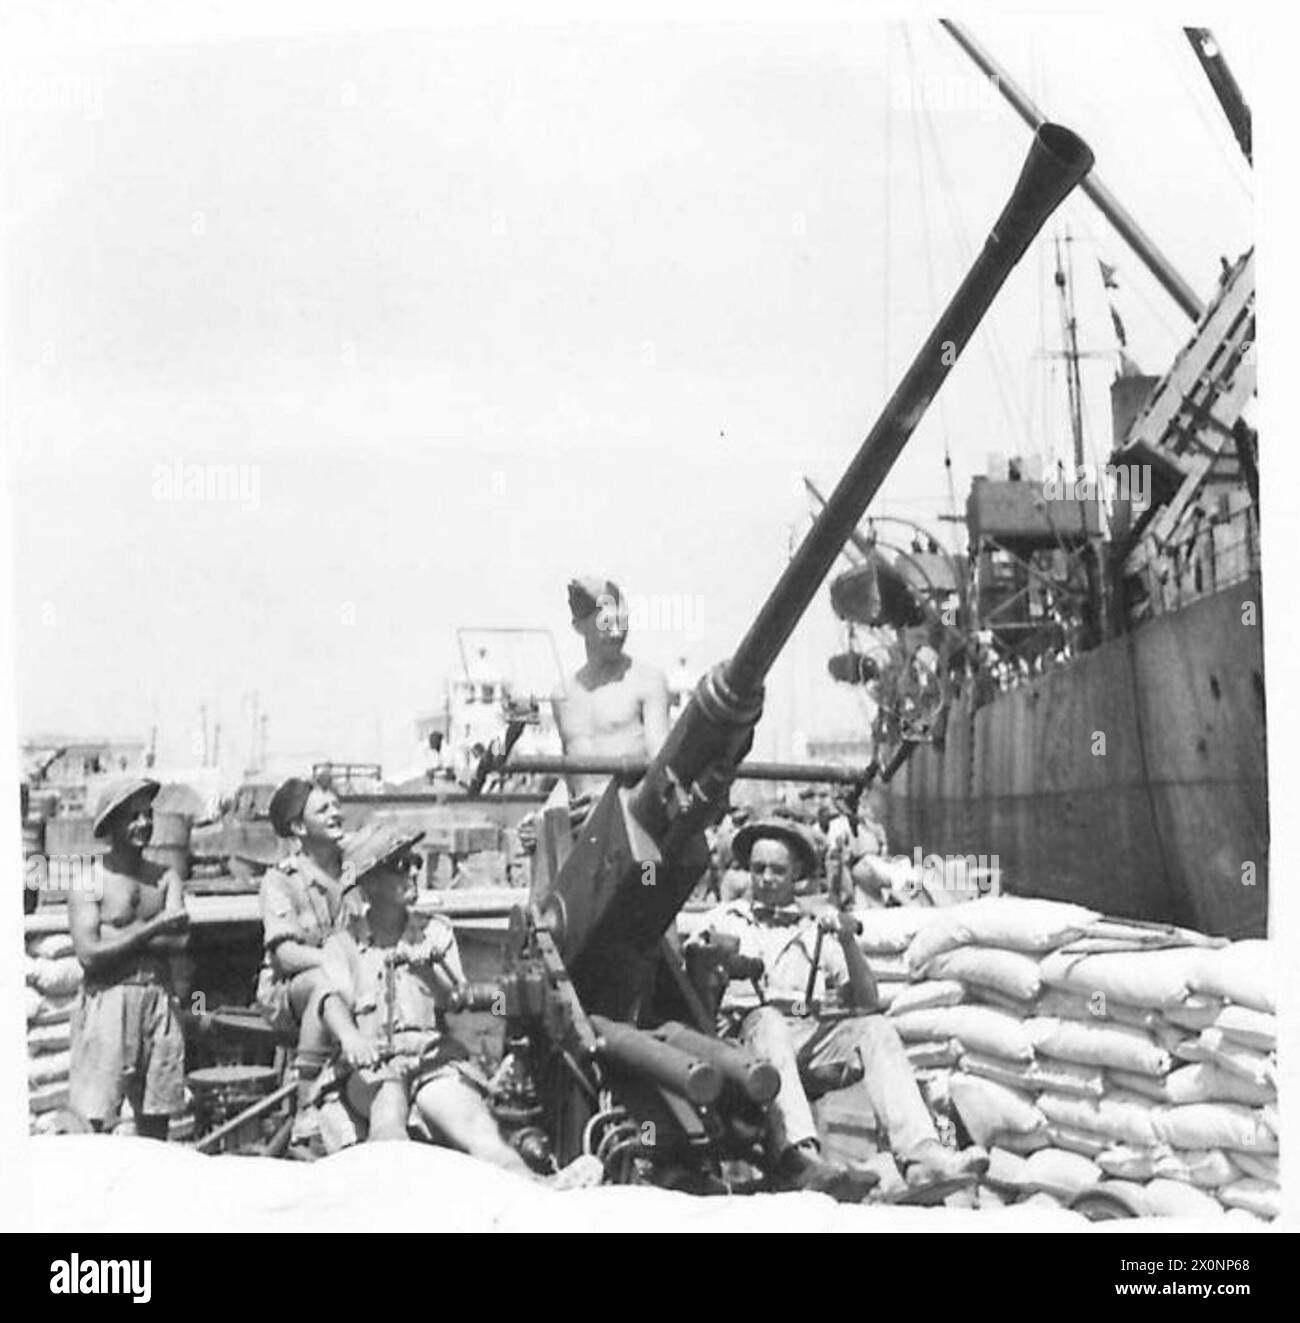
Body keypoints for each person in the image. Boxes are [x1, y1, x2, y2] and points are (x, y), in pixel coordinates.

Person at [687, 818, 987, 1199]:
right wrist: (712, 958)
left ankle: (921, 1156)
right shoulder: (722, 920)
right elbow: (693, 978)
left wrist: (846, 941)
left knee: (874, 1029)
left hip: (803, 1041)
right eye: (757, 868)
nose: (764, 878)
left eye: (777, 870)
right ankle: (800, 1157)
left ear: (796, 874)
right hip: (741, 1046)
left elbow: (863, 1000)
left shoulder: (816, 927)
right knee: (769, 1020)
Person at [313, 822, 601, 1187]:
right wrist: (352, 1038)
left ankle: (535, 1186)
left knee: (473, 1124)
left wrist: (427, 969)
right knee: (388, 1105)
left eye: (415, 862)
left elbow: (453, 999)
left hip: (431, 1060)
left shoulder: (436, 933)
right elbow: (330, 1000)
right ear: (370, 883)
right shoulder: (342, 945)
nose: (414, 871)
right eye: (400, 865)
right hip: (371, 1068)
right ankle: (387, 1197)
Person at [67, 777, 190, 1138]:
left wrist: (118, 937)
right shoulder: (89, 879)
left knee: (158, 1113)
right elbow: (89, 954)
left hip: (158, 999)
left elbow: (181, 938)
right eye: (132, 817)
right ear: (111, 825)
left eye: (147, 815)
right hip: (108, 998)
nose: (144, 825)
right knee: (95, 1114)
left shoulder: (165, 876)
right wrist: (152, 930)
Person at [254, 776, 351, 1155]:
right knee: (324, 981)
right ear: (298, 827)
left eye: (336, 804)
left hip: (351, 981)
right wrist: (336, 960)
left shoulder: (354, 869)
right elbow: (286, 955)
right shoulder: (281, 879)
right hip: (290, 991)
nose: (336, 812)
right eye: (323, 809)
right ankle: (308, 1099)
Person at [552, 576, 670, 798]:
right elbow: (568, 771)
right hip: (582, 822)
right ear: (579, 627)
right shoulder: (562, 696)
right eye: (606, 623)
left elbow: (661, 762)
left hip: (631, 819)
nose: (617, 632)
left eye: (622, 621)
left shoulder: (648, 682)